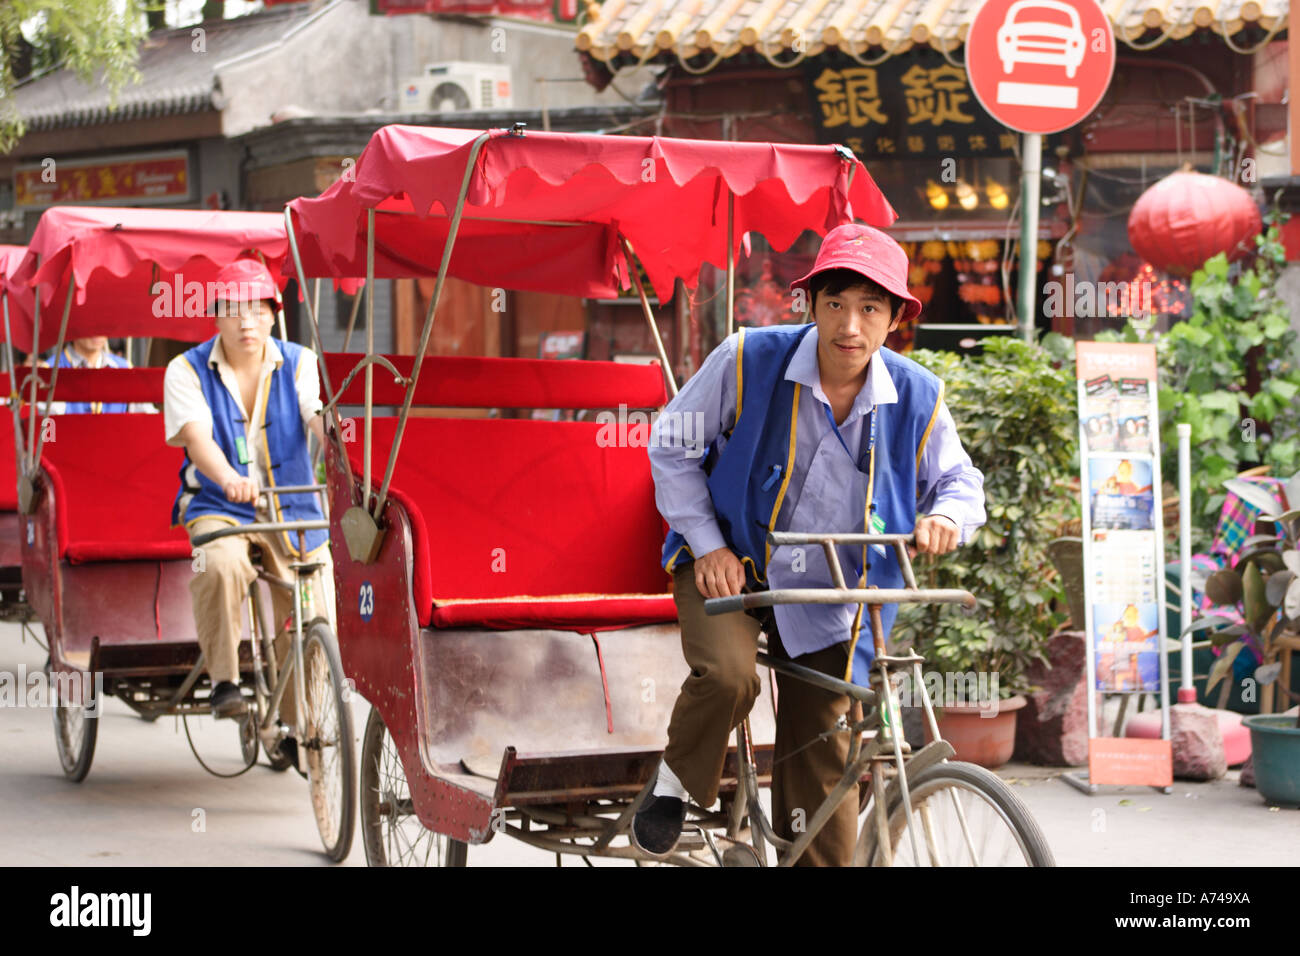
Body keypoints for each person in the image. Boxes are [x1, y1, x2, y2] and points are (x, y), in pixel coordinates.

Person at [637, 223, 987, 865]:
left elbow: (961, 480)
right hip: (731, 562)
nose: (850, 326)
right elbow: (670, 444)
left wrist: (950, 517)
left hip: (832, 582)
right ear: (811, 305)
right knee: (730, 676)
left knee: (827, 739)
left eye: (870, 308)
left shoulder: (917, 395)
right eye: (835, 304)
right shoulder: (747, 358)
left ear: (893, 320)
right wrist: (708, 545)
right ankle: (673, 785)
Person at [162, 258, 333, 769]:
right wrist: (229, 477)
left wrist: (336, 442)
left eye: (258, 310)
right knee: (219, 565)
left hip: (293, 508)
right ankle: (224, 680)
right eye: (234, 311)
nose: (246, 322)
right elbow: (197, 440)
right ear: (216, 317)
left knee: (312, 607)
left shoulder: (298, 362)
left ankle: (288, 719)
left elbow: (314, 415)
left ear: (273, 315)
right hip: (220, 506)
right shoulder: (186, 370)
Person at [39, 338, 156, 414]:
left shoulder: (124, 368)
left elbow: (147, 417)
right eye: (90, 322)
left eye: (103, 323)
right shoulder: (49, 371)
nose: (98, 331)